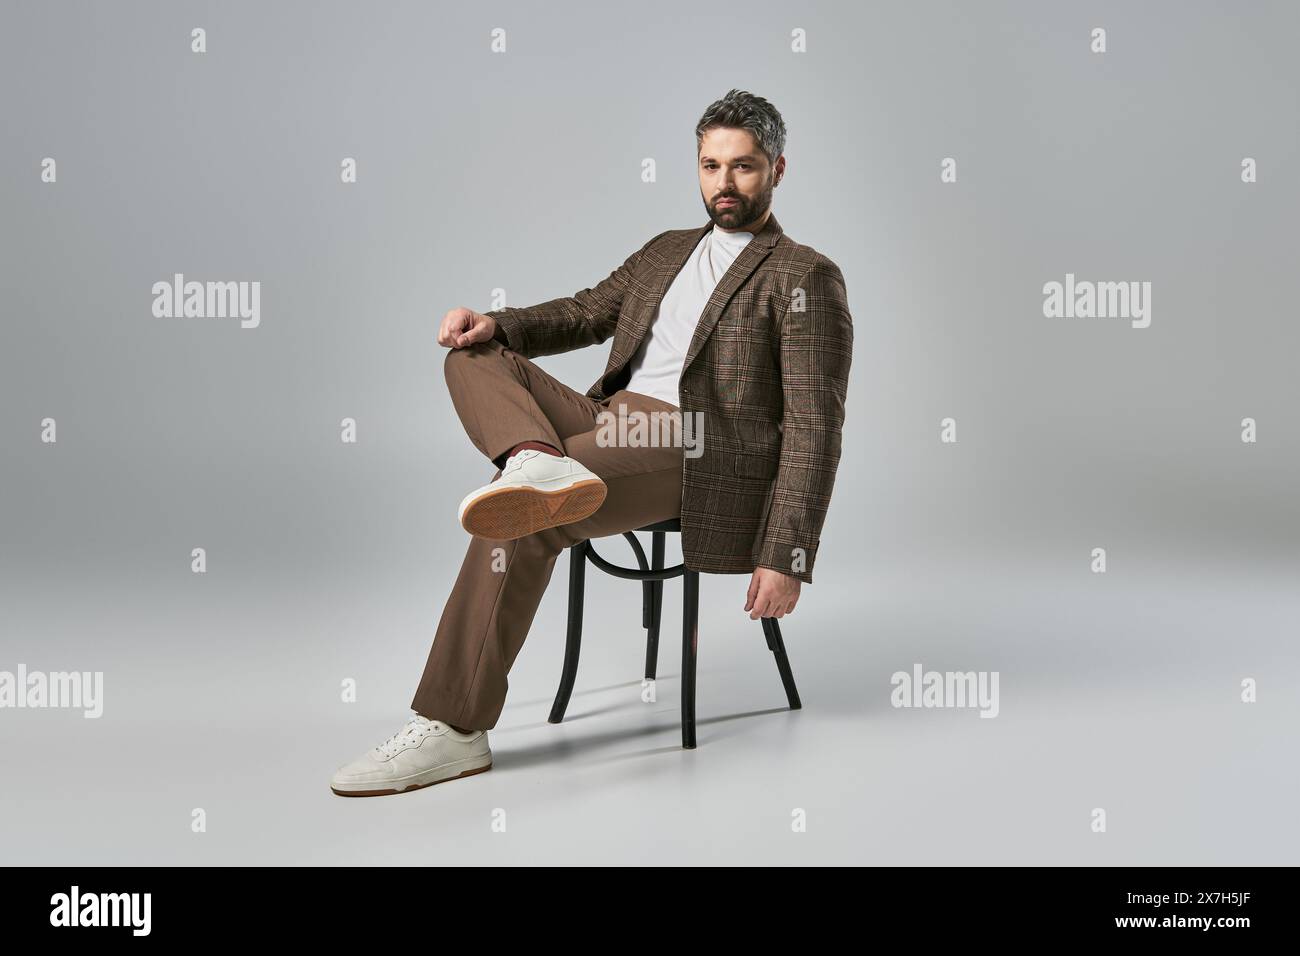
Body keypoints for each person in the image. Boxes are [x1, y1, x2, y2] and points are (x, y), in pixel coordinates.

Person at [330, 89, 853, 797]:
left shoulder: (804, 275)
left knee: (516, 518)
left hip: (694, 444)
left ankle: (453, 729)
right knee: (472, 357)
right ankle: (534, 461)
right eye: (710, 166)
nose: (723, 185)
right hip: (611, 419)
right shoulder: (667, 250)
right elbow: (582, 313)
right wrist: (494, 322)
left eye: (744, 168)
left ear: (778, 170)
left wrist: (786, 551)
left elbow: (815, 425)